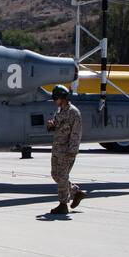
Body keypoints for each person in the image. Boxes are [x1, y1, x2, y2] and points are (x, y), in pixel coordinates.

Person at [44, 84, 85, 215]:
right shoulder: (60, 111)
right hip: (57, 149)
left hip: (67, 151)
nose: (55, 101)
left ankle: (63, 205)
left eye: (56, 98)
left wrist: (72, 150)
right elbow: (57, 127)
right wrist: (51, 125)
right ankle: (76, 192)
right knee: (55, 175)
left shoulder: (74, 112)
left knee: (62, 176)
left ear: (62, 98)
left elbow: (76, 134)